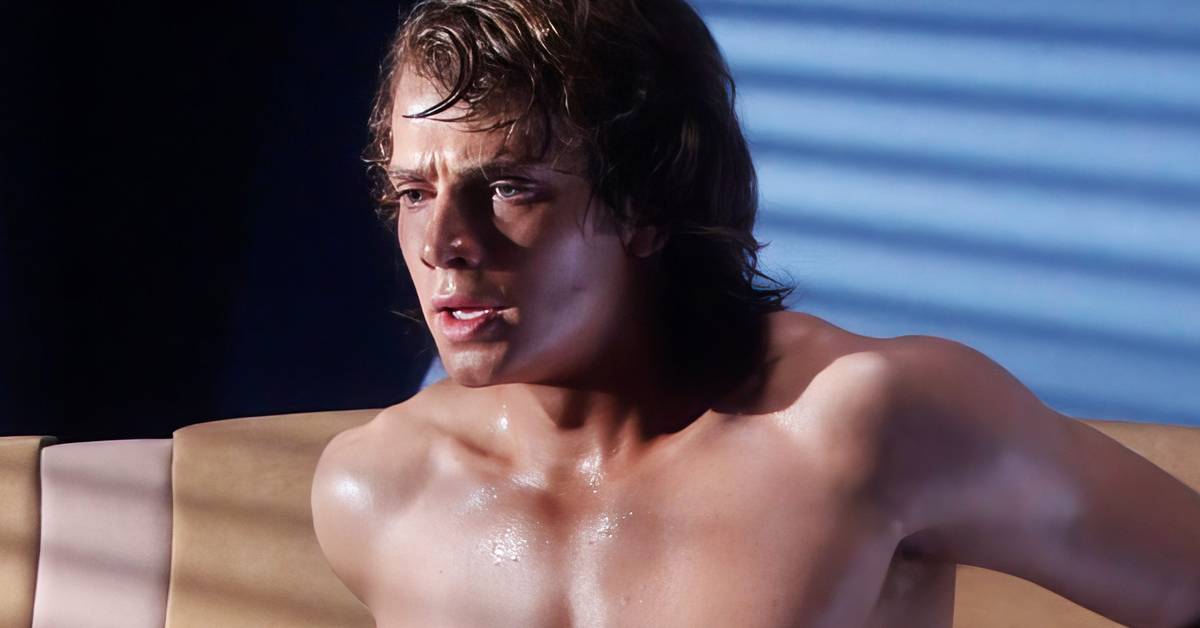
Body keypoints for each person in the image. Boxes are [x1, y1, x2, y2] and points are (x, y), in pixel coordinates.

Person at [310, 0, 1200, 625]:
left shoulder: (864, 424)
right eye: (414, 193)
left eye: (509, 188)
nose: (443, 243)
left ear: (647, 207)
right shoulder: (377, 489)